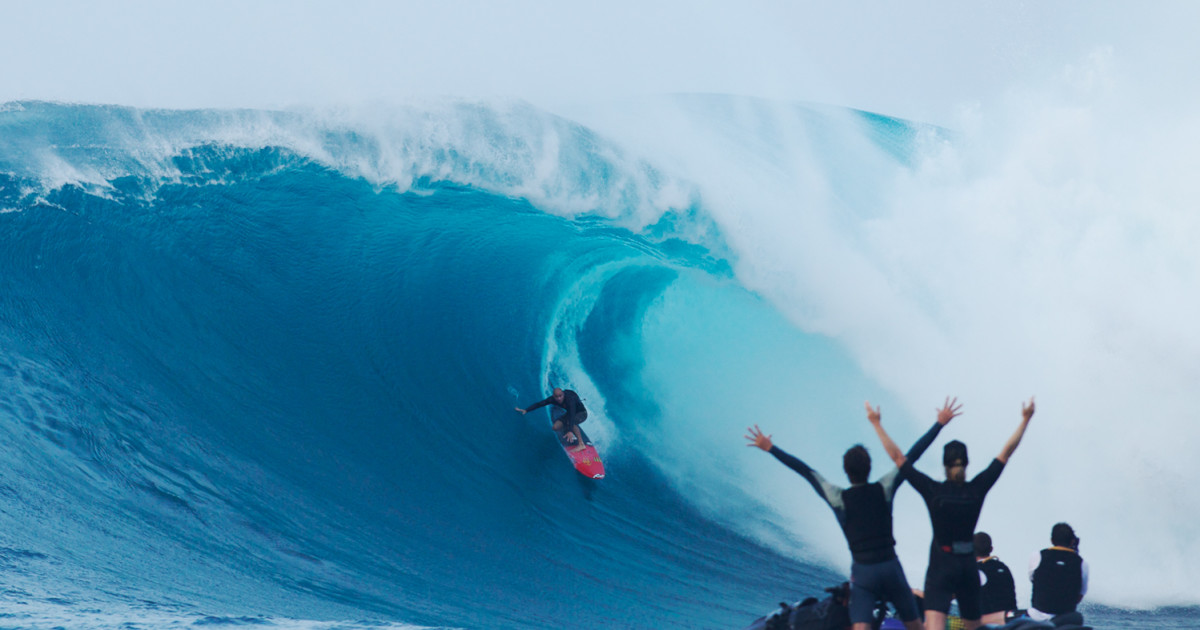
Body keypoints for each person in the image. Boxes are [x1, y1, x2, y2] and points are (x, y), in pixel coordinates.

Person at [744, 397, 963, 630]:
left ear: (846, 471)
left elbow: (806, 472)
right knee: (915, 626)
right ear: (869, 467)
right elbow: (911, 456)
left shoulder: (837, 498)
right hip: (891, 568)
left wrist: (770, 448)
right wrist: (939, 424)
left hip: (863, 574)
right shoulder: (885, 488)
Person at [878, 397, 1035, 630]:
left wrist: (876, 423)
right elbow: (1005, 453)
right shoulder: (976, 489)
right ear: (967, 463)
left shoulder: (933, 491)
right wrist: (1025, 420)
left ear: (944, 464)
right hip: (967, 569)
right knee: (972, 627)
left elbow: (899, 458)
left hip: (940, 569)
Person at [1028, 523, 1089, 622]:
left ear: (1051, 540)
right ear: (1072, 541)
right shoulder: (1082, 563)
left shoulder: (1037, 556)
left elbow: (1033, 579)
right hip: (1066, 618)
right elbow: (1080, 594)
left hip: (1037, 616)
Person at [516, 387, 588, 452]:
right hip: (570, 414)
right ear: (554, 396)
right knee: (555, 427)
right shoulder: (552, 399)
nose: (559, 398)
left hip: (582, 413)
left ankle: (581, 444)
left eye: (560, 396)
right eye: (557, 397)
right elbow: (539, 404)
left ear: (563, 394)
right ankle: (568, 431)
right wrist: (526, 410)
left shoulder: (570, 399)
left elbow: (572, 415)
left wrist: (569, 430)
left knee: (571, 423)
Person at [974, 532, 1017, 625]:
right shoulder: (1004, 567)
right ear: (991, 549)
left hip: (989, 622)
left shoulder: (975, 571)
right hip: (1010, 620)